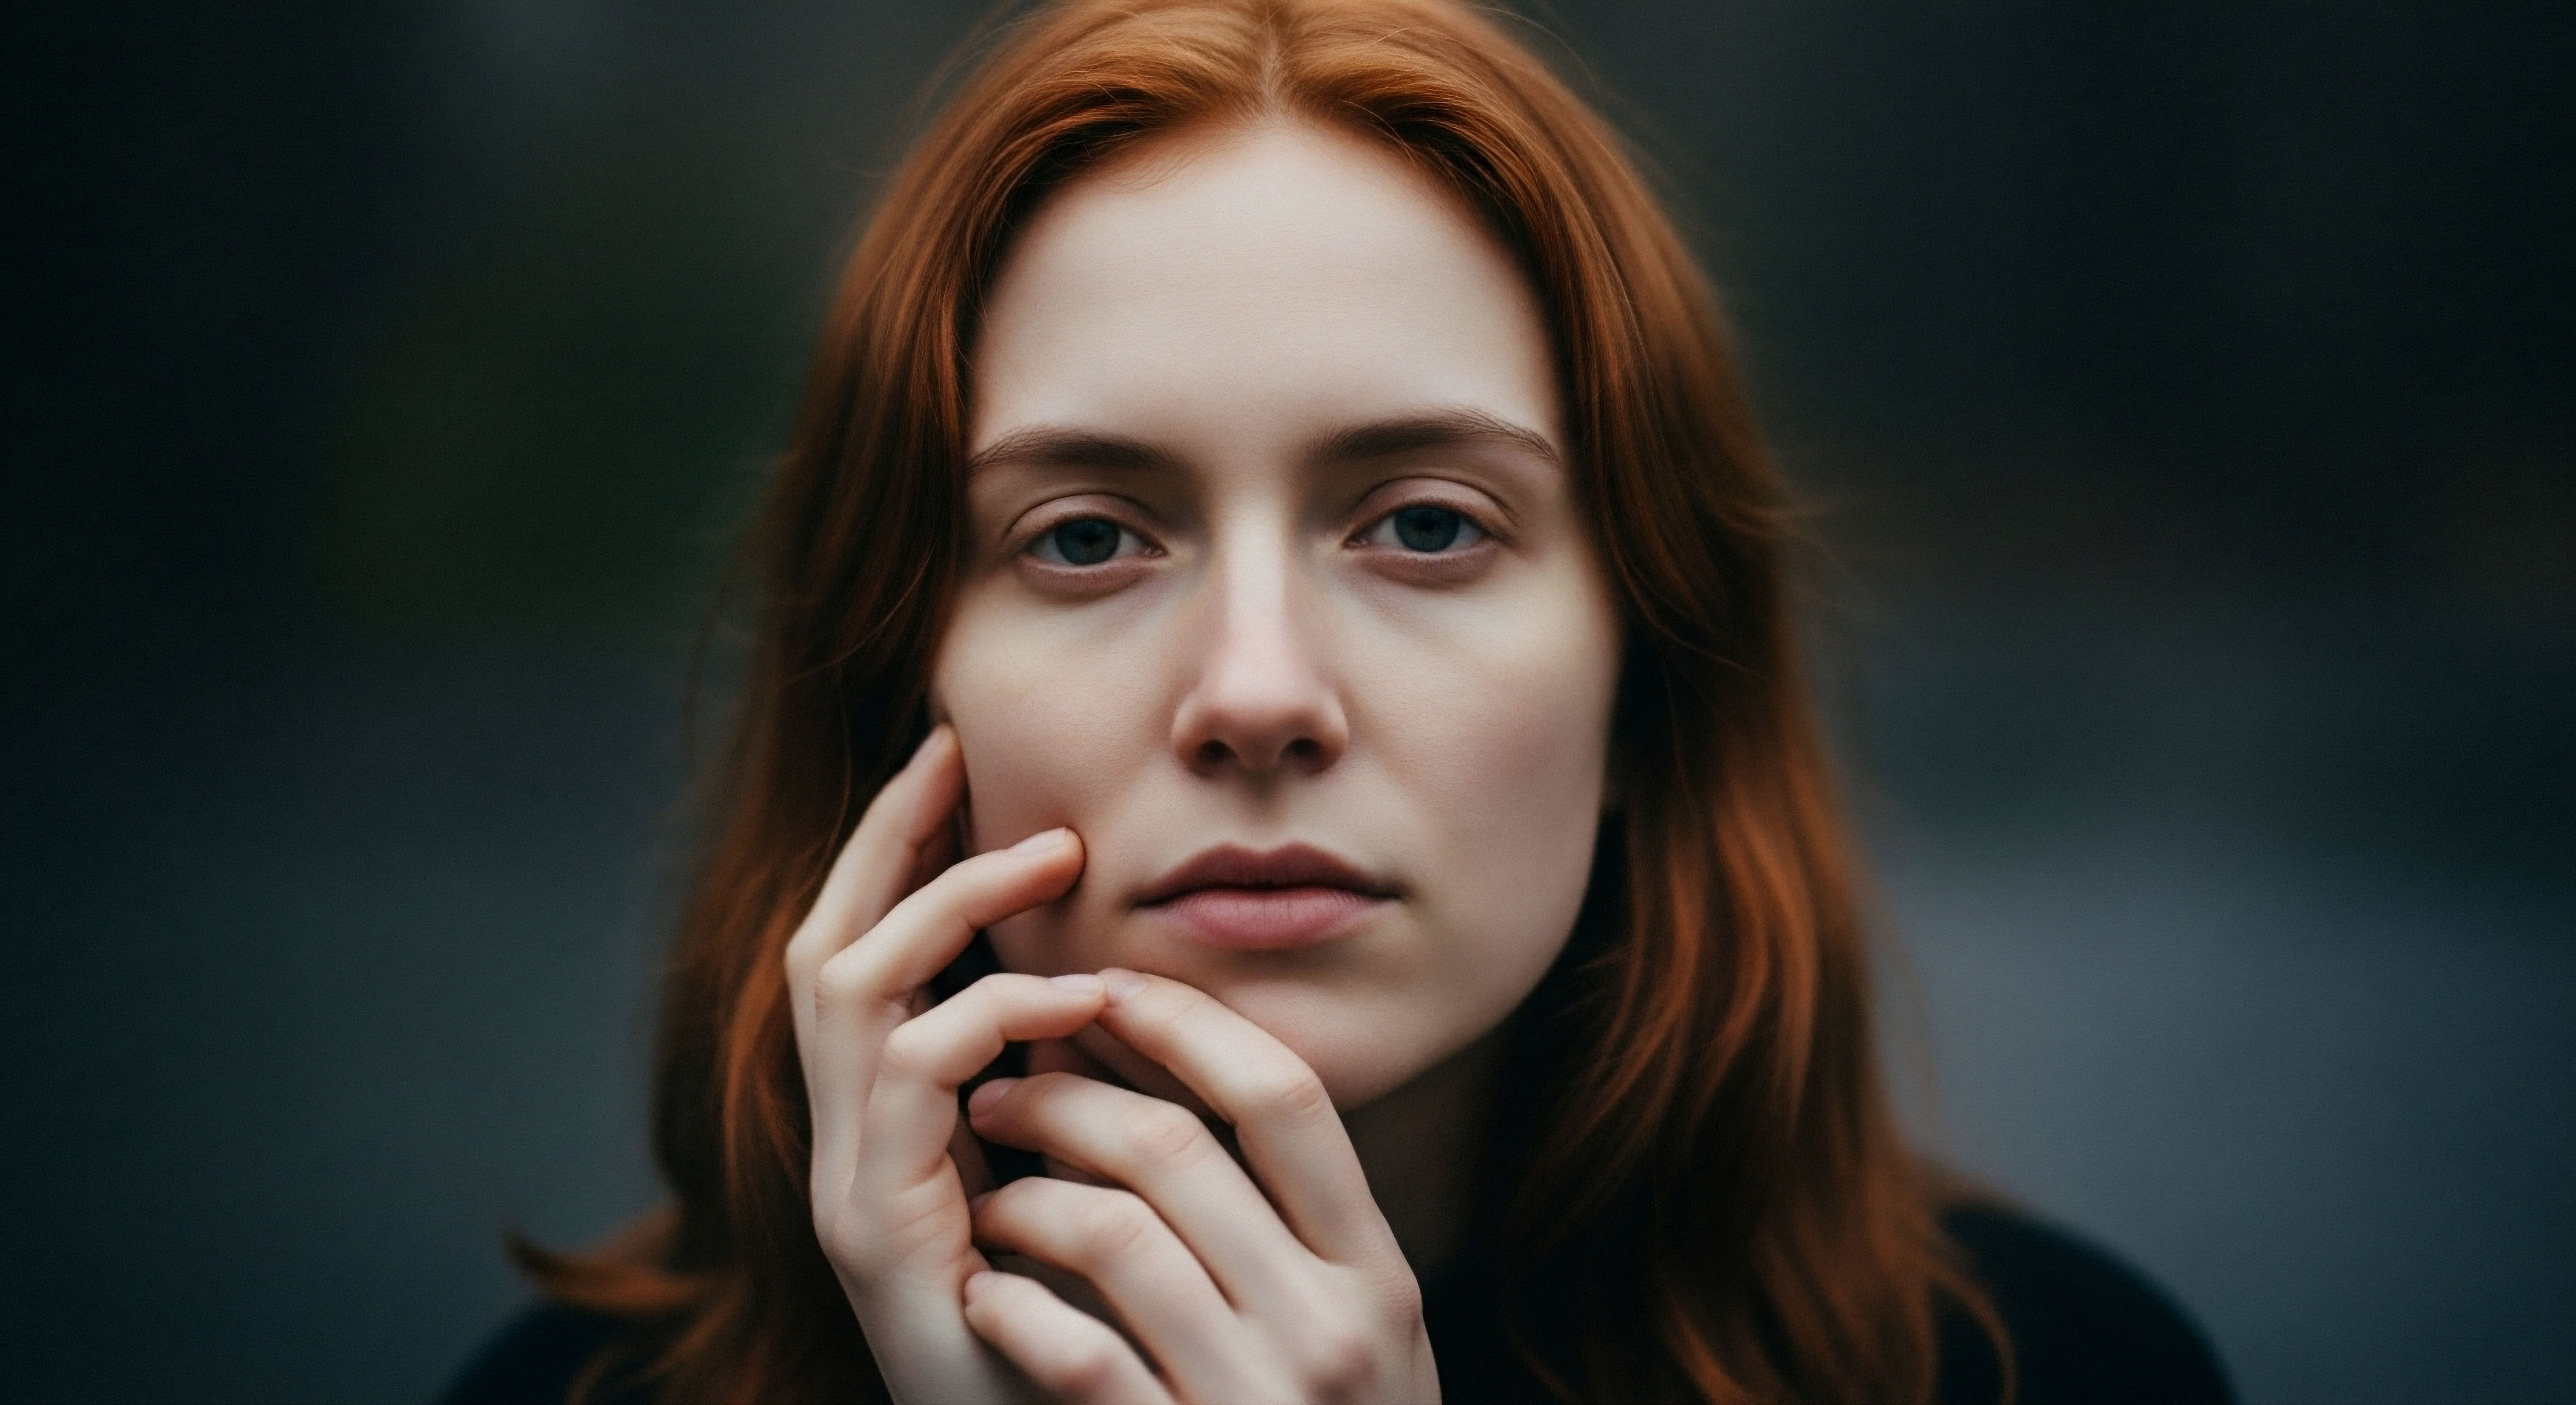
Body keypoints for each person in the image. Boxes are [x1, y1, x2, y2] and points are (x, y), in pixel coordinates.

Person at [443, 1, 2234, 1401]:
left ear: (1651, 674)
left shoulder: (2044, 1377)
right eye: (1084, 539)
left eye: (1429, 525)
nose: (1258, 694)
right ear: (899, 680)